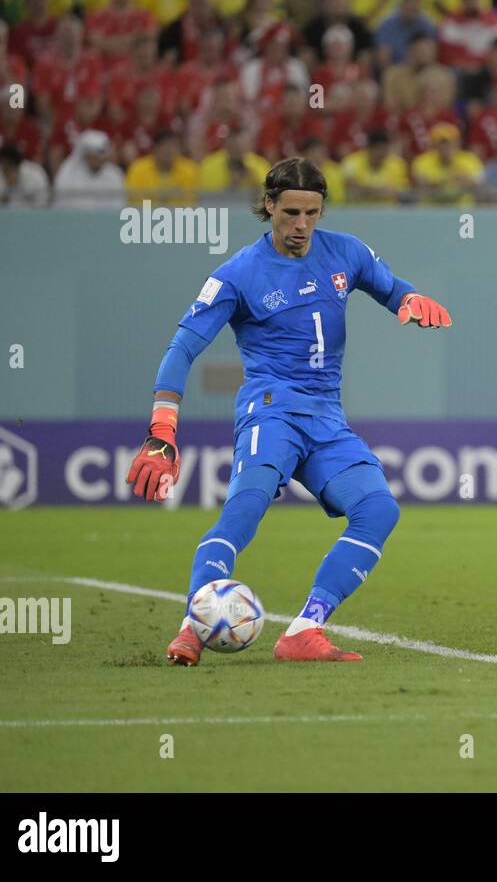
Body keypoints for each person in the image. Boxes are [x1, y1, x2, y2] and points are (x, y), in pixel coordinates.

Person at [127, 158, 452, 664]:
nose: (301, 225)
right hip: (272, 411)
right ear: (269, 205)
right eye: (291, 212)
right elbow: (181, 349)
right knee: (244, 512)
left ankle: (304, 630)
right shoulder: (238, 274)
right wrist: (161, 431)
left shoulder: (346, 251)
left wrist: (411, 299)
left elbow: (390, 287)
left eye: (312, 213)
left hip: (326, 418)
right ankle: (194, 625)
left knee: (378, 509)